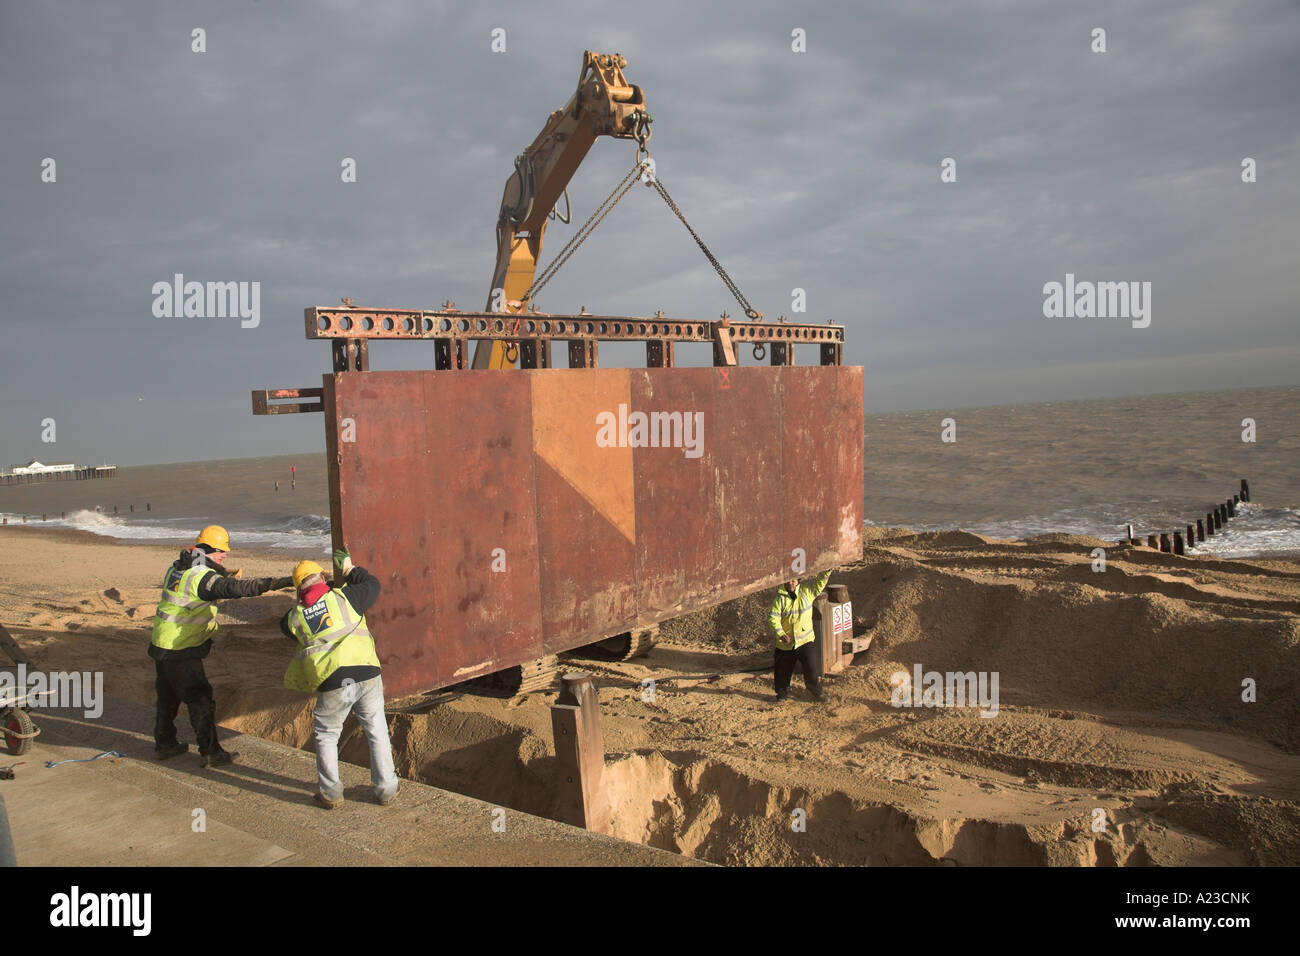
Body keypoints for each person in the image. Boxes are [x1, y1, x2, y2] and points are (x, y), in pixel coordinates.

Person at [151, 525, 291, 767]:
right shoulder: (200, 578)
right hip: (181, 647)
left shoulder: (178, 566)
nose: (224, 555)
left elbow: (209, 581)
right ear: (207, 550)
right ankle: (211, 752)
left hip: (162, 643)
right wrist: (277, 582)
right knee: (201, 700)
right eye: (220, 551)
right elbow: (236, 589)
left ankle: (165, 744)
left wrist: (220, 572)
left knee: (169, 697)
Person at [280, 547, 398, 809]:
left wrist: (303, 601)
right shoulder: (346, 598)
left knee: (327, 734)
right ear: (323, 578)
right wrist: (349, 570)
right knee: (376, 729)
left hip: (333, 681)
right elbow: (373, 585)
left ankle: (331, 793)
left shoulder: (295, 618)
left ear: (298, 589)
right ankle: (386, 788)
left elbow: (285, 626)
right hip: (366, 672)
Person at [768, 569, 833, 702]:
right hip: (786, 644)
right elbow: (772, 619)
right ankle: (782, 694)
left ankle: (816, 692)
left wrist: (827, 569)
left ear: (798, 581)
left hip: (805, 641)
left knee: (811, 670)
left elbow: (820, 583)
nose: (791, 583)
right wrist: (781, 633)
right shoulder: (779, 599)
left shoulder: (806, 592)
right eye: (788, 580)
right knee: (782, 672)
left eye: (793, 580)